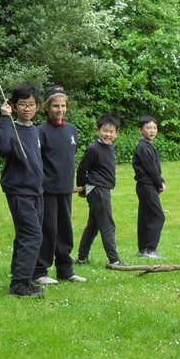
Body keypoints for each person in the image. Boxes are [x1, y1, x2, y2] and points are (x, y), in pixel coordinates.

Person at [0, 83, 45, 297]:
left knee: (26, 235)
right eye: (22, 105)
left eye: (31, 104)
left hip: (36, 191)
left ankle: (23, 277)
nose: (27, 109)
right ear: (14, 106)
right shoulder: (10, 128)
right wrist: (4, 117)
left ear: (37, 107)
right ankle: (19, 285)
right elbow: (2, 147)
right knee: (32, 236)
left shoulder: (34, 131)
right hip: (19, 191)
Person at [34, 86, 85, 286]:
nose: (60, 109)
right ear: (47, 108)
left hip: (66, 190)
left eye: (63, 106)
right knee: (48, 231)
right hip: (47, 191)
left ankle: (66, 270)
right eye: (55, 106)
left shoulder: (72, 130)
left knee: (65, 232)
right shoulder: (40, 131)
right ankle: (40, 271)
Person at [75, 113, 124, 267]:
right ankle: (115, 260)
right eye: (104, 130)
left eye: (111, 132)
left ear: (116, 133)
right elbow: (82, 169)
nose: (107, 134)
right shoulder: (93, 149)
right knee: (108, 225)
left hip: (103, 189)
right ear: (98, 130)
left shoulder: (110, 147)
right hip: (97, 189)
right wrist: (83, 188)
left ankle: (81, 258)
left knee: (93, 226)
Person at [133, 115, 166, 259]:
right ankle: (151, 250)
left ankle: (143, 250)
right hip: (146, 185)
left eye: (154, 128)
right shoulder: (143, 147)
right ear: (140, 130)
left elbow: (155, 168)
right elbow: (150, 169)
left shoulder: (148, 145)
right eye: (148, 128)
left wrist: (160, 180)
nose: (152, 131)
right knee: (158, 216)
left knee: (145, 217)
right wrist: (160, 183)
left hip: (148, 185)